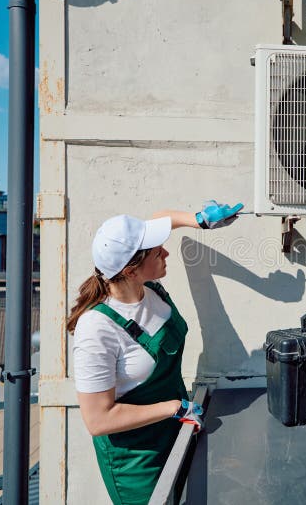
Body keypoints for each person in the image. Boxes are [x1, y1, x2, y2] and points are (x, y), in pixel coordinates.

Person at [66, 201, 243, 505]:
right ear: (131, 269)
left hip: (177, 434)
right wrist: (173, 407)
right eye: (156, 250)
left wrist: (198, 220)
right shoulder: (97, 328)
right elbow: (98, 420)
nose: (165, 252)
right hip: (137, 464)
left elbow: (161, 218)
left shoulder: (150, 289)